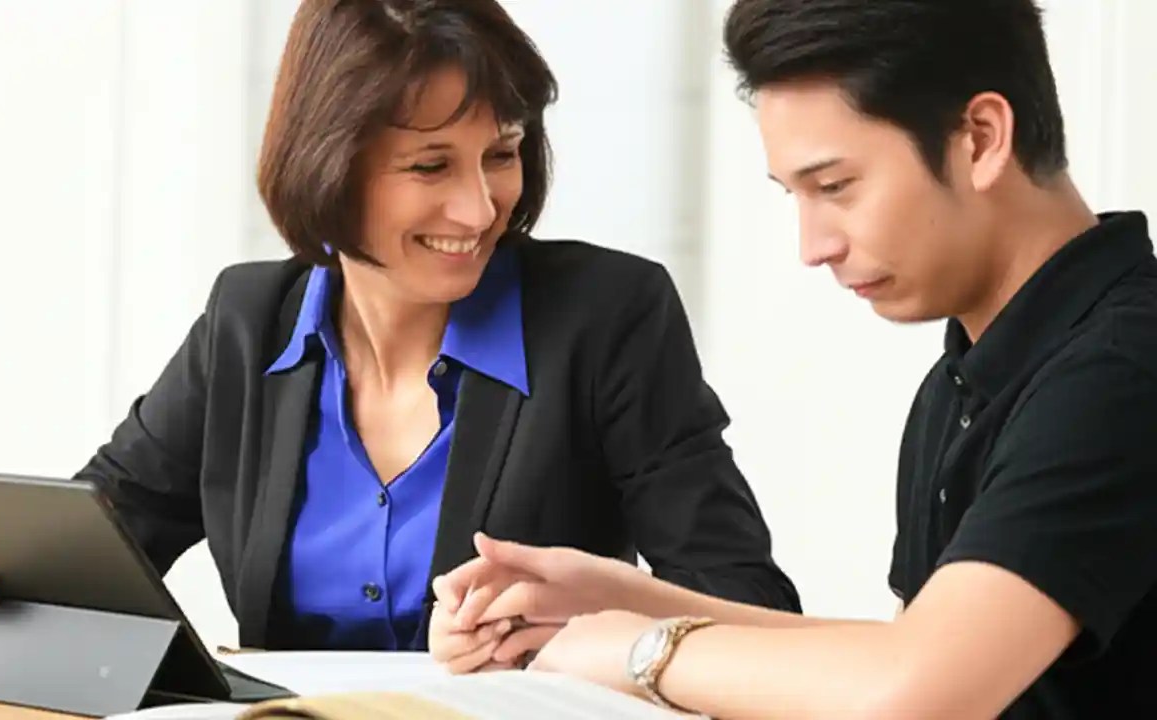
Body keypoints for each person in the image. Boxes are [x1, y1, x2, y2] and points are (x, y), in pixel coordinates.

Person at [0, 0, 798, 658]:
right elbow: (91, 549)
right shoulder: (247, 325)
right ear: (327, 166)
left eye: (503, 153)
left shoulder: (605, 314)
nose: (480, 205)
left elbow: (746, 606)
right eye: (428, 165)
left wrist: (584, 622)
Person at [429, 0, 1157, 716]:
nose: (815, 246)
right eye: (795, 196)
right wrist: (617, 600)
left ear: (982, 136)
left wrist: (642, 648)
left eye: (835, 187)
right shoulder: (967, 381)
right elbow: (915, 656)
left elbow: (921, 694)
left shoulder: (1124, 367)